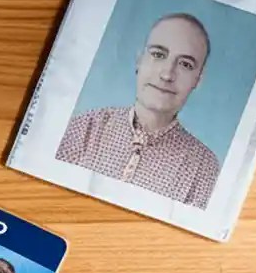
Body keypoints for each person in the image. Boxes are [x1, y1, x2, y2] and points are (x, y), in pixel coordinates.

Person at [55, 12, 220, 209]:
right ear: (139, 61)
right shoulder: (84, 128)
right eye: (158, 55)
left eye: (185, 64)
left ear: (198, 79)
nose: (167, 74)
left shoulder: (204, 169)